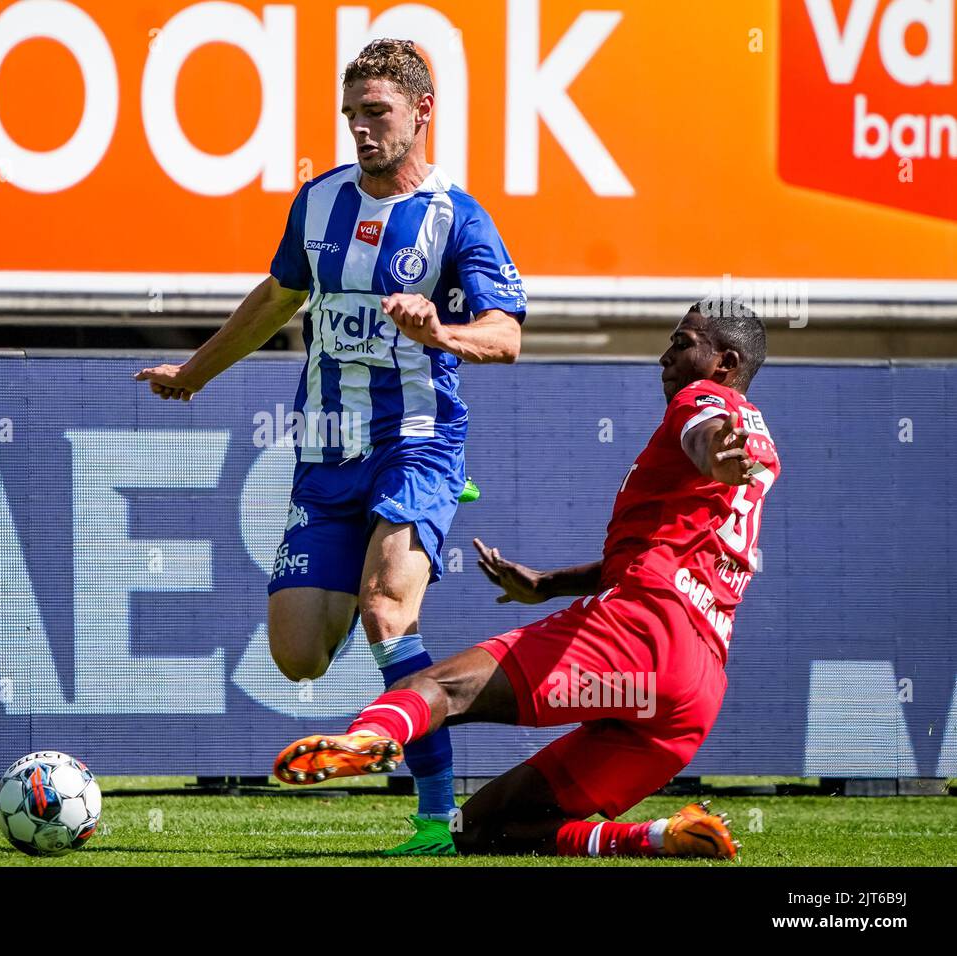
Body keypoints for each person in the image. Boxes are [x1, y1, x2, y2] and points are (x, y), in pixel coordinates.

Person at [137, 39, 526, 854]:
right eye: (351, 114)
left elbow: (505, 336)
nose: (359, 128)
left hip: (418, 445)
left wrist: (441, 330)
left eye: (375, 111)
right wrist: (196, 373)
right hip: (325, 452)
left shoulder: (460, 218)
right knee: (298, 656)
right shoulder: (317, 204)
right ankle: (359, 595)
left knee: (391, 611)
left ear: (423, 112)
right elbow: (276, 297)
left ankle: (434, 819)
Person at [274, 300, 779, 859]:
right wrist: (549, 585)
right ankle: (663, 836)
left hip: (639, 636)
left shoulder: (707, 402)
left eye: (682, 343)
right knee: (481, 830)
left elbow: (703, 430)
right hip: (693, 689)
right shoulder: (754, 449)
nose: (666, 356)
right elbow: (665, 552)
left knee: (440, 690)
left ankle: (370, 738)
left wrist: (713, 452)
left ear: (725, 363)